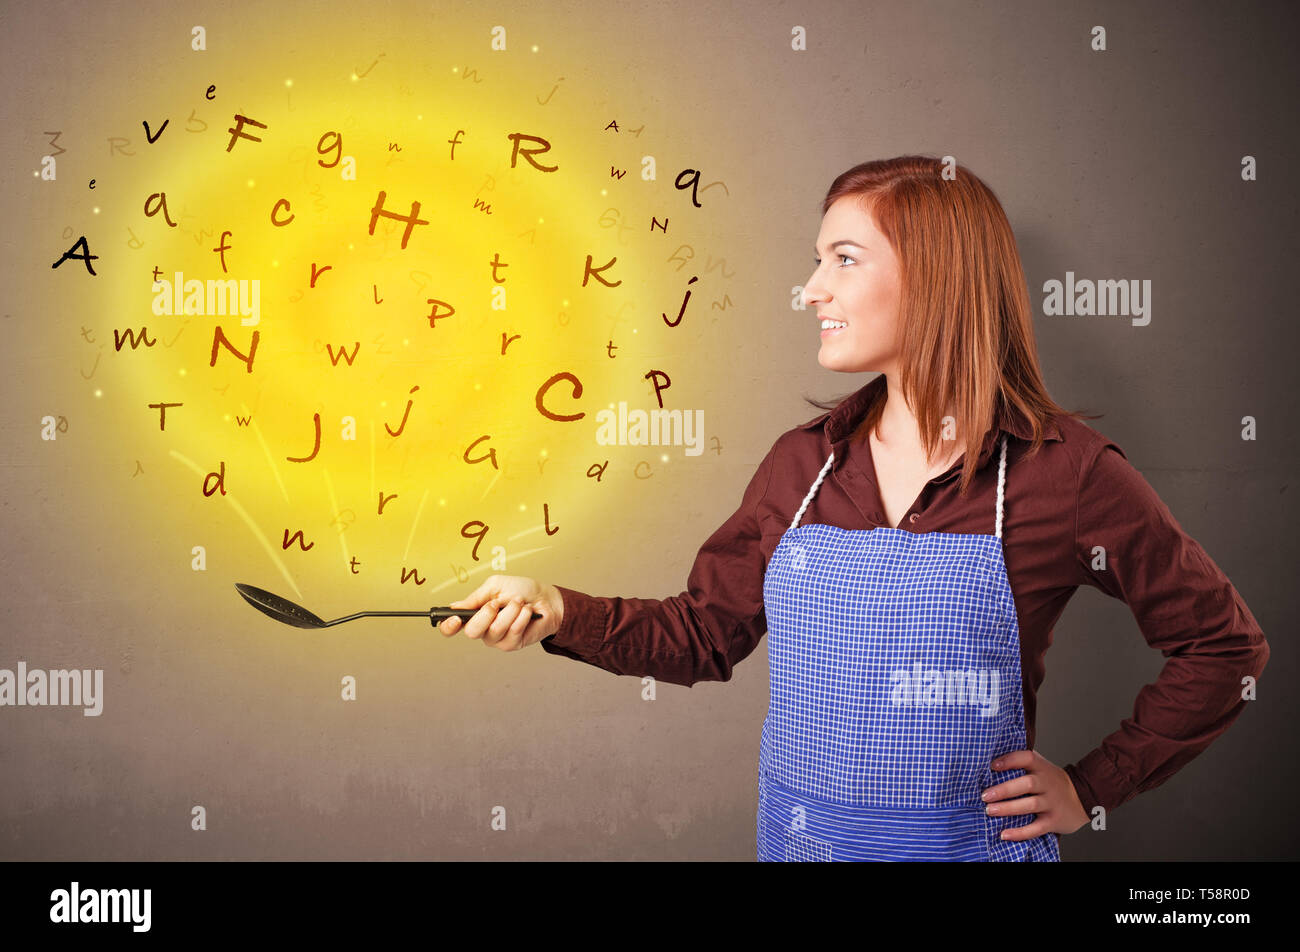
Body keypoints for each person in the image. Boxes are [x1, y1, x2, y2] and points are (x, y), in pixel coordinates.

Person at [436, 156, 1270, 861]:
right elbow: (703, 636)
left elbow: (1224, 648)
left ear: (937, 275)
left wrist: (1091, 788)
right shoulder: (802, 464)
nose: (809, 291)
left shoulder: (1066, 475)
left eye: (842, 260)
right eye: (816, 261)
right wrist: (557, 612)